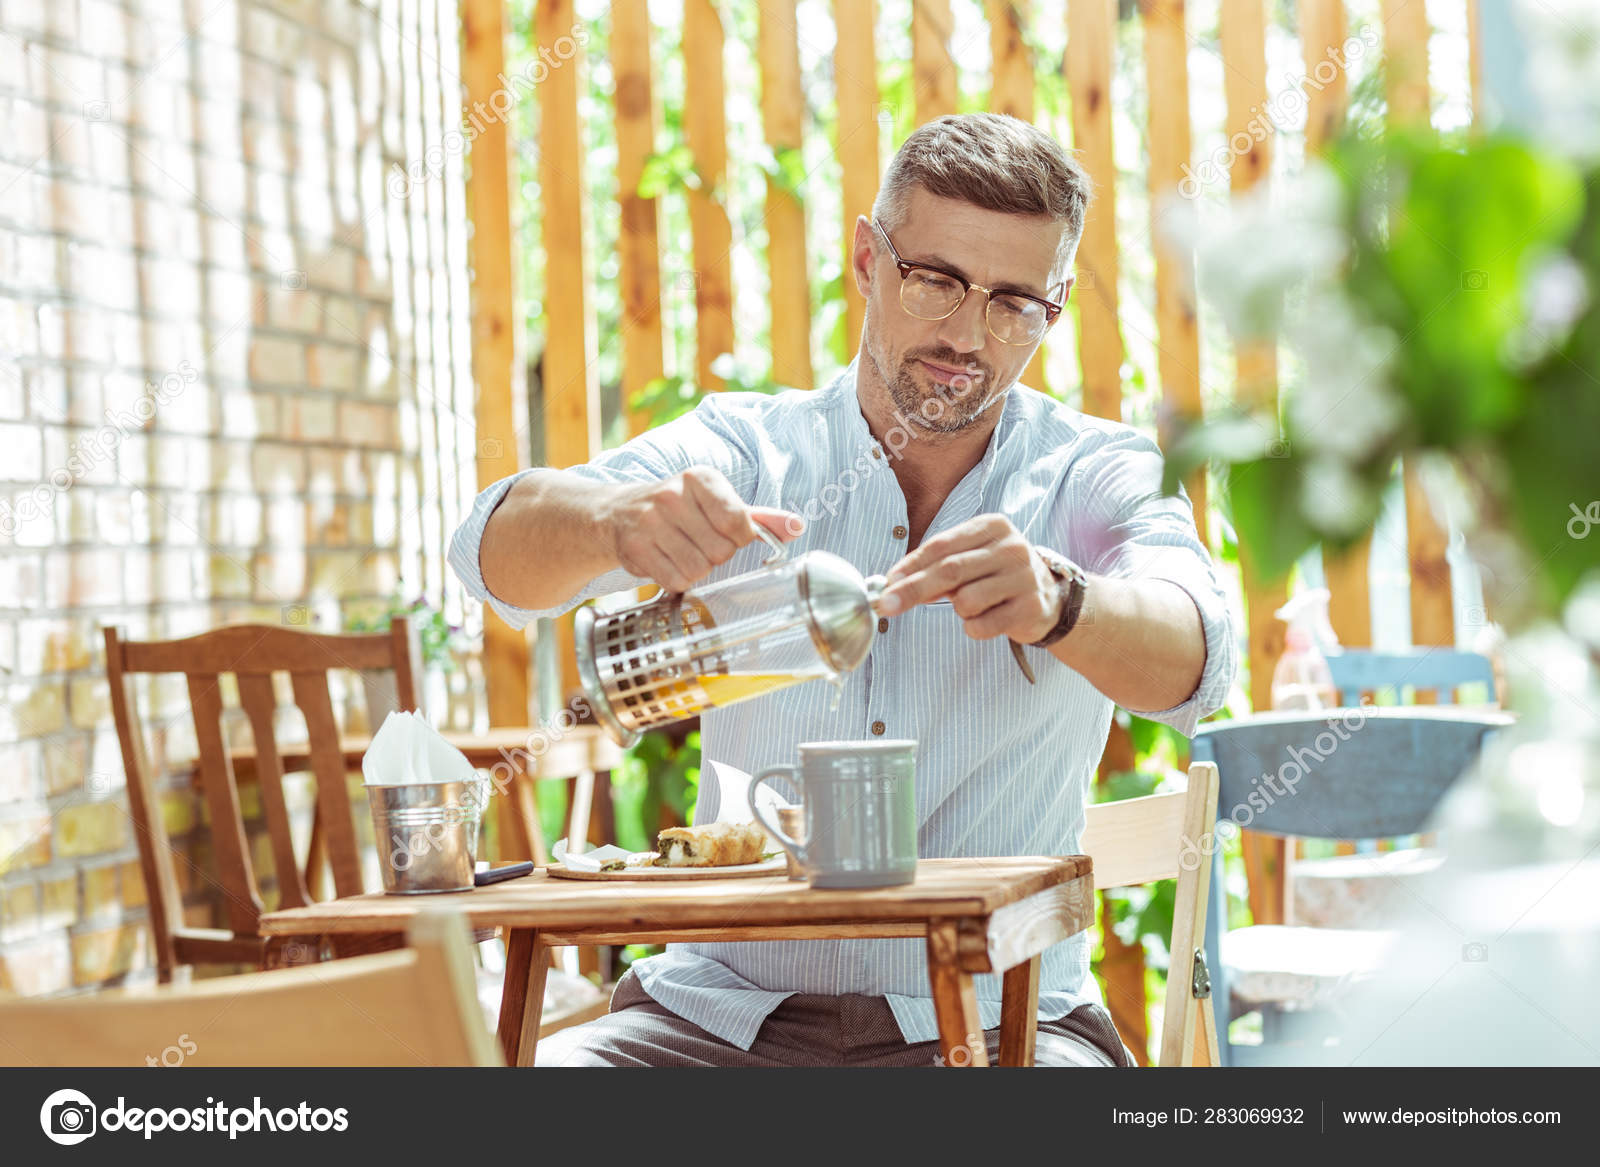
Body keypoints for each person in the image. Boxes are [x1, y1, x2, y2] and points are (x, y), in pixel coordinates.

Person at [449, 113, 1236, 1066]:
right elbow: (489, 547)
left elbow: (1200, 654)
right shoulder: (750, 448)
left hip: (997, 1026)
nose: (967, 334)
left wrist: (1067, 601)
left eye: (1014, 302)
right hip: (712, 1023)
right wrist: (613, 520)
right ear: (869, 259)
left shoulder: (1092, 472)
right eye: (936, 280)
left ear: (1054, 306)